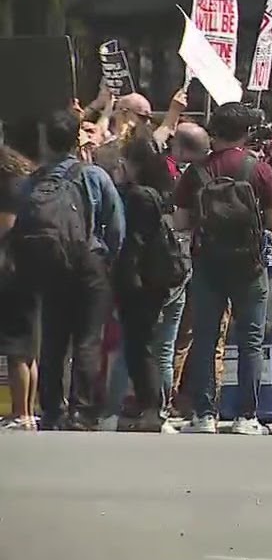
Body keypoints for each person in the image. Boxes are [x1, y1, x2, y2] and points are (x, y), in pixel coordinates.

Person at [174, 102, 272, 435]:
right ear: (246, 132)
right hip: (249, 266)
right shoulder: (258, 169)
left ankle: (204, 414)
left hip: (208, 264)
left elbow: (181, 221)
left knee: (207, 338)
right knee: (251, 340)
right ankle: (246, 417)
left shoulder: (196, 172)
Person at [19, 110, 125, 430]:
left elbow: (24, 223)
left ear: (45, 140)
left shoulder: (34, 180)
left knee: (52, 338)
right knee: (88, 339)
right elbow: (116, 223)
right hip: (89, 262)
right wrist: (108, 257)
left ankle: (51, 409)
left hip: (50, 264)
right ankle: (82, 410)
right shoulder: (93, 175)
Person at [102, 128, 189, 433]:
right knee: (153, 346)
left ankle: (151, 407)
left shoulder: (138, 196)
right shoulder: (159, 193)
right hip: (158, 279)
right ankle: (152, 407)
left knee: (141, 347)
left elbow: (133, 242)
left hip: (140, 281)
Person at [0, 146, 39, 430]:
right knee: (27, 348)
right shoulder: (26, 180)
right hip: (29, 266)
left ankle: (20, 413)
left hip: (10, 269)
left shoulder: (8, 188)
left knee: (15, 346)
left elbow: (5, 226)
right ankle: (27, 411)